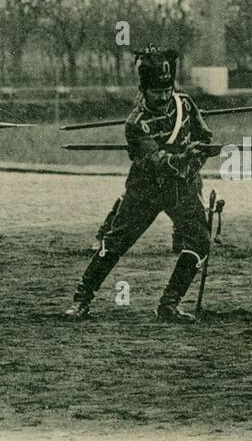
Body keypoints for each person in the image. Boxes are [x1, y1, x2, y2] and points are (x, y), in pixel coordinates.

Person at [64, 46, 213, 324]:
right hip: (145, 189)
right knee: (115, 242)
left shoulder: (186, 104)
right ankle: (81, 300)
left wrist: (196, 160)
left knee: (199, 242)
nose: (164, 97)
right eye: (157, 92)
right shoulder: (136, 124)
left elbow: (204, 136)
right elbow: (156, 160)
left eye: (168, 90)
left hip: (181, 187)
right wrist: (184, 158)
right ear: (144, 90)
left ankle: (169, 304)